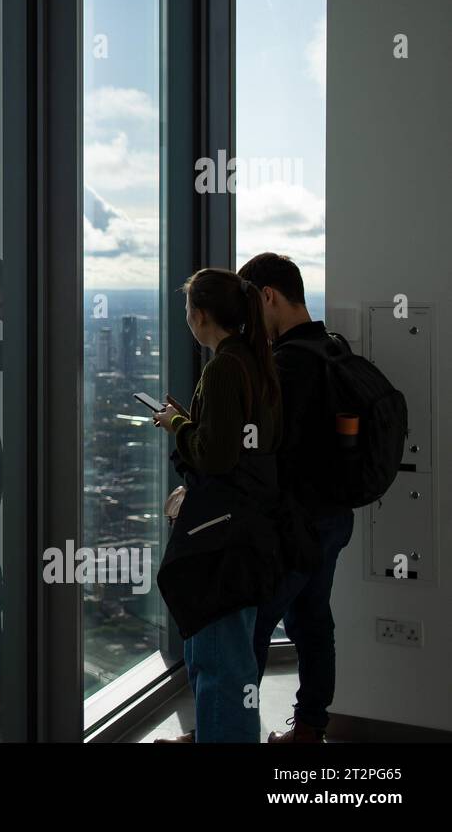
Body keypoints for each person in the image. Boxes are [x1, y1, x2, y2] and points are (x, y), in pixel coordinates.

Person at [152, 268, 283, 743]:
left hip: (221, 537)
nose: (186, 318)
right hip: (250, 527)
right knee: (230, 658)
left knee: (216, 660)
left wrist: (176, 426)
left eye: (188, 309)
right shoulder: (255, 361)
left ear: (201, 314)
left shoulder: (225, 367)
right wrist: (189, 421)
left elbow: (216, 455)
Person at [238, 252, 353, 743]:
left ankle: (228, 728)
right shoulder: (335, 350)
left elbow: (268, 450)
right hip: (333, 516)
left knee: (249, 627)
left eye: (250, 306)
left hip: (292, 522)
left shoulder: (286, 365)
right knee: (312, 622)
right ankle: (309, 729)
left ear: (268, 297)